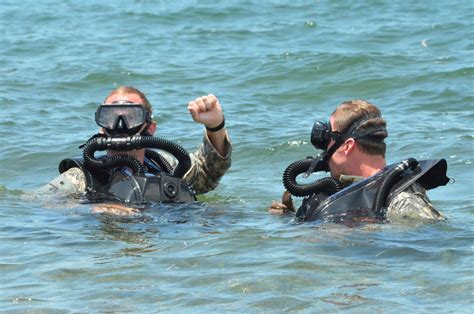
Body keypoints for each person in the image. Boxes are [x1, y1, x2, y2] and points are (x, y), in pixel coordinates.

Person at [42, 86, 232, 204]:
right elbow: (36, 207)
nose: (121, 125)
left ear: (150, 129)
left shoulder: (163, 165)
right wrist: (94, 210)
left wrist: (215, 126)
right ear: (102, 129)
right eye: (111, 117)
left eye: (131, 116)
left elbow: (208, 175)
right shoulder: (81, 177)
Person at [272, 99, 449, 223]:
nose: (324, 150)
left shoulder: (401, 198)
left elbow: (426, 247)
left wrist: (362, 231)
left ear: (347, 146)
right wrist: (288, 217)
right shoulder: (341, 191)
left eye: (329, 139)